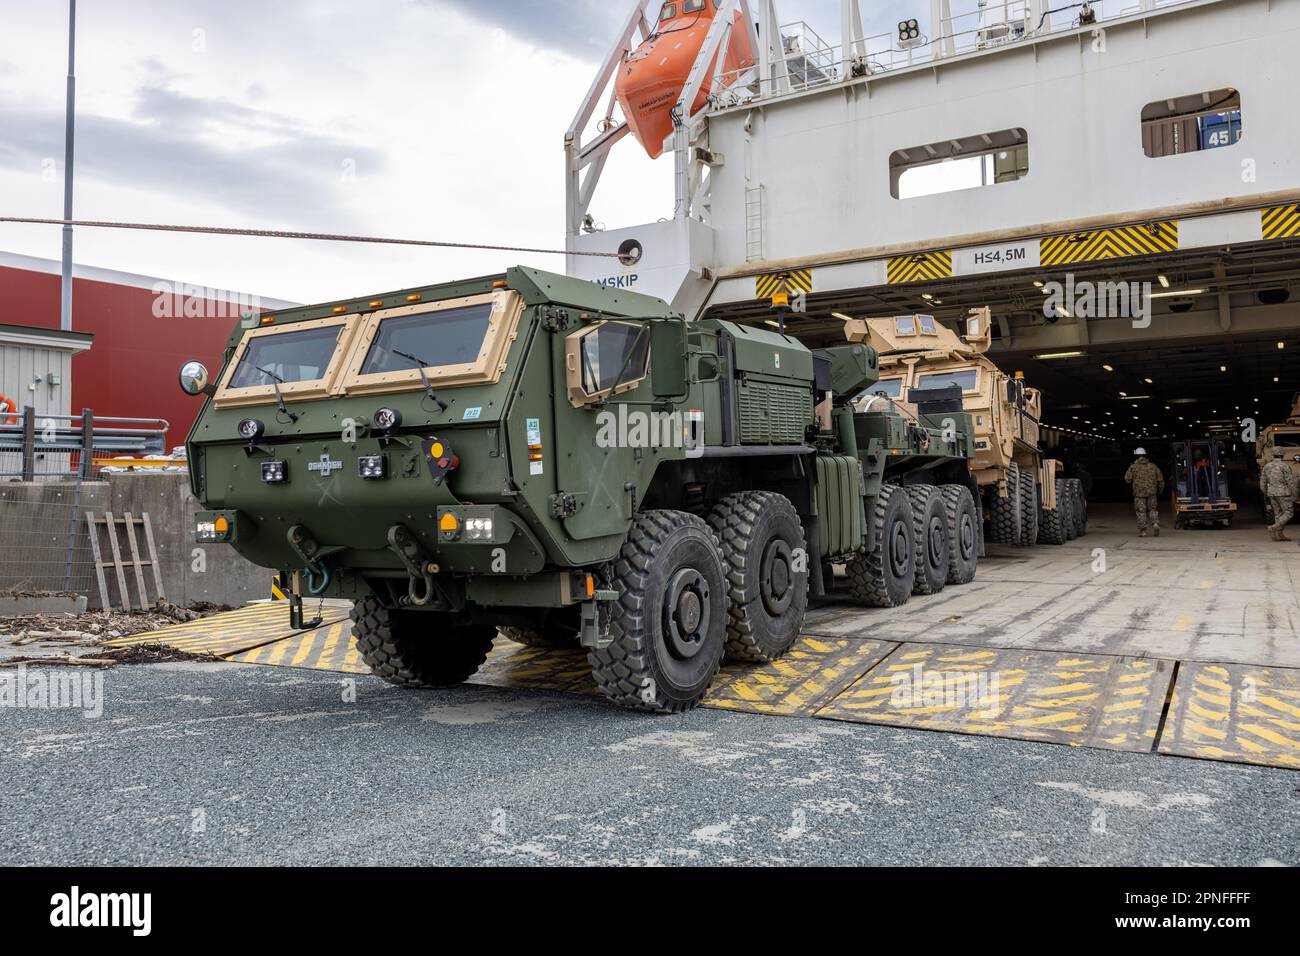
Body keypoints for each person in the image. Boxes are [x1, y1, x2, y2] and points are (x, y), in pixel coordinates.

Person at [1124, 447, 1164, 537]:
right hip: (1152, 492)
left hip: (1139, 494)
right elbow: (1160, 479)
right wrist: (1161, 489)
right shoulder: (1153, 466)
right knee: (1153, 509)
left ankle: (1143, 531)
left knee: (1141, 511)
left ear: (1136, 456)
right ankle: (1155, 523)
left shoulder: (1133, 467)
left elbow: (1127, 479)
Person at [1260, 447, 1298, 542]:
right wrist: (1295, 494)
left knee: (1278, 514)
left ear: (1272, 454)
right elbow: (1290, 482)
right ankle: (1273, 527)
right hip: (1283, 493)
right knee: (1289, 513)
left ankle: (1279, 535)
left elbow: (1262, 483)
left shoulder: (1266, 466)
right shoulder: (1284, 466)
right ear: (1283, 454)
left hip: (1271, 493)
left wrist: (1266, 492)